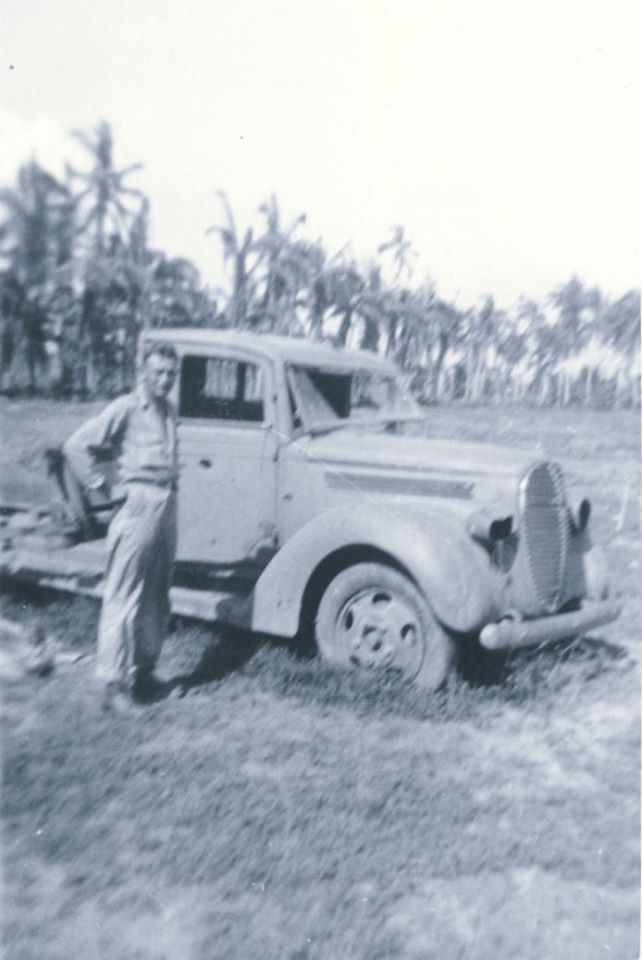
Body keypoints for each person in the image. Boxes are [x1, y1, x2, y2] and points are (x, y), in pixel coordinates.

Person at [64, 341, 179, 714]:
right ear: (143, 373)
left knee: (157, 595)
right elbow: (77, 446)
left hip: (166, 503)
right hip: (137, 503)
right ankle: (114, 688)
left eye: (170, 373)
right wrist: (105, 488)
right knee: (123, 596)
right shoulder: (126, 408)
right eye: (158, 372)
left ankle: (143, 673)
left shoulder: (168, 410)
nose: (164, 379)